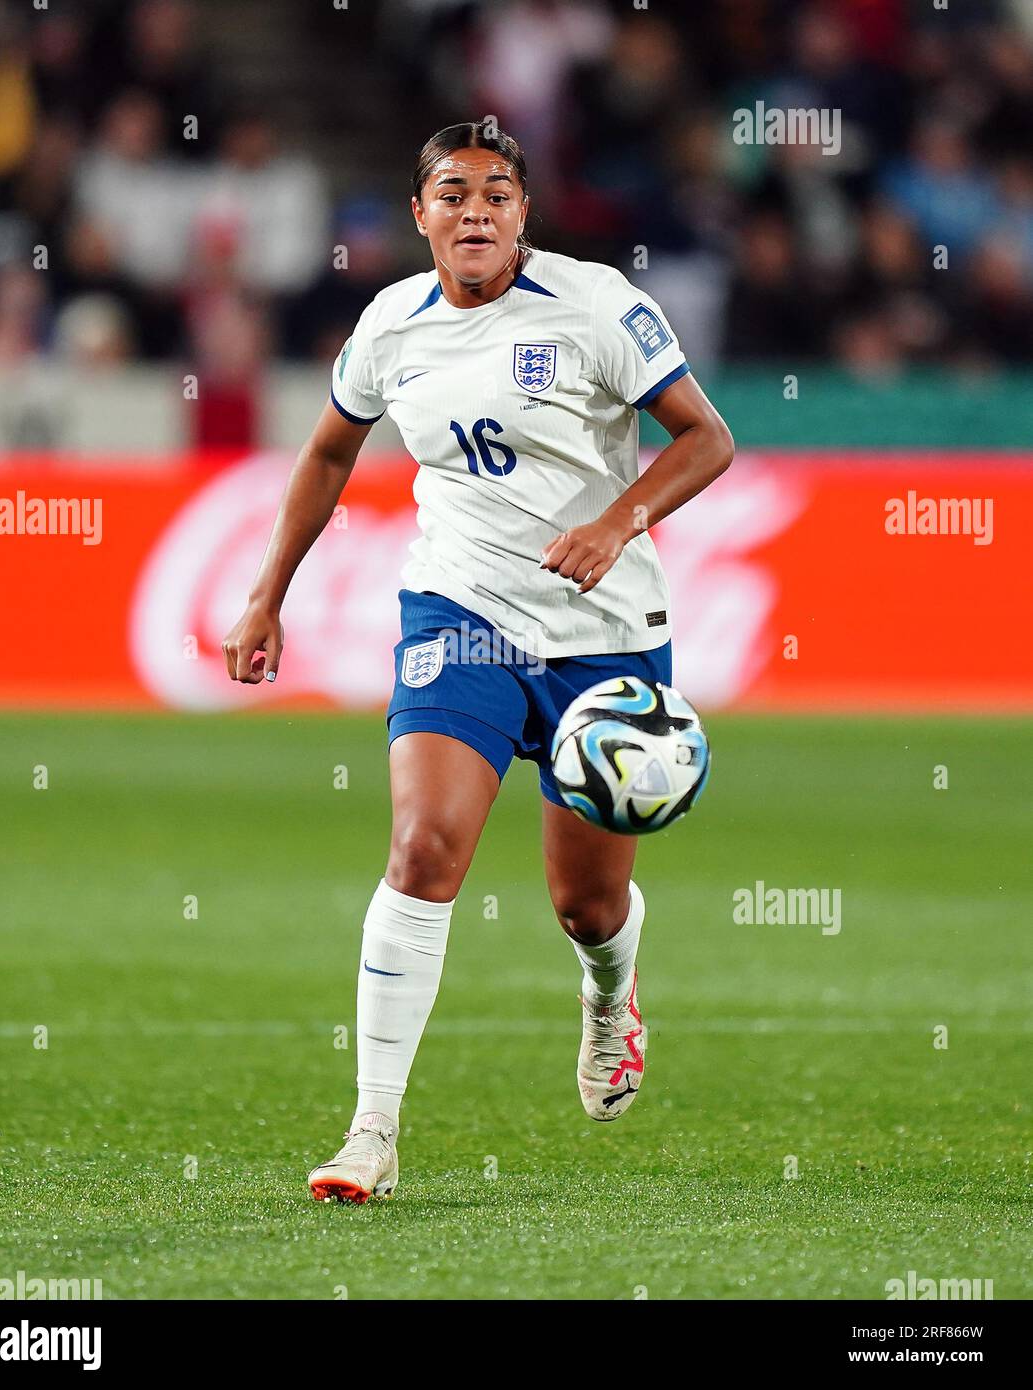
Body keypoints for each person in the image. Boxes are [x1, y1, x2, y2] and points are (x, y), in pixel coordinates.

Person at [222, 122, 734, 1203]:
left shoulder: (596, 304)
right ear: (420, 216)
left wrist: (616, 521)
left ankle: (609, 995)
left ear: (523, 215)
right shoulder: (390, 326)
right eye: (452, 194)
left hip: (605, 634)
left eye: (498, 194)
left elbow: (706, 437)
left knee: (585, 908)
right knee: (422, 848)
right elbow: (326, 449)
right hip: (461, 616)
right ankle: (371, 1132)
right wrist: (268, 593)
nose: (476, 212)